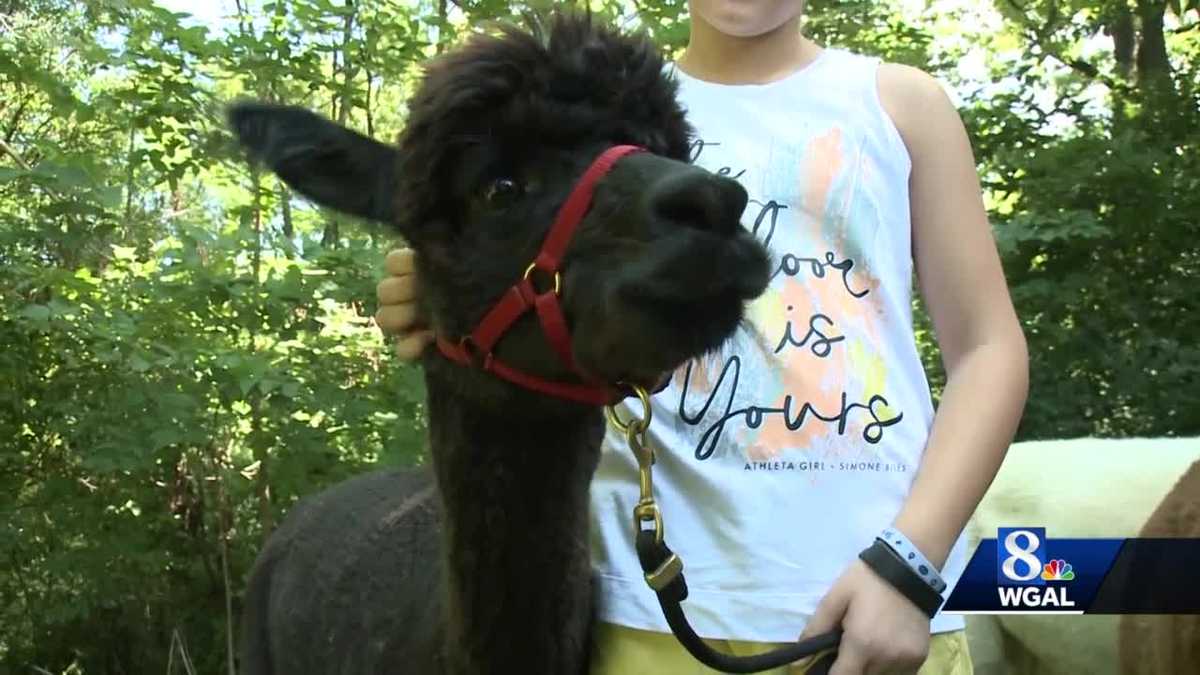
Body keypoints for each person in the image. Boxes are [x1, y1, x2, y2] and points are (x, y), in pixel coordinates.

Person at [374, 1, 1029, 673]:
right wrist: (429, 286)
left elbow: (988, 349)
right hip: (646, 617)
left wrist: (909, 567)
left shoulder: (900, 106)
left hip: (879, 618)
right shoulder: (602, 115)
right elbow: (495, 273)